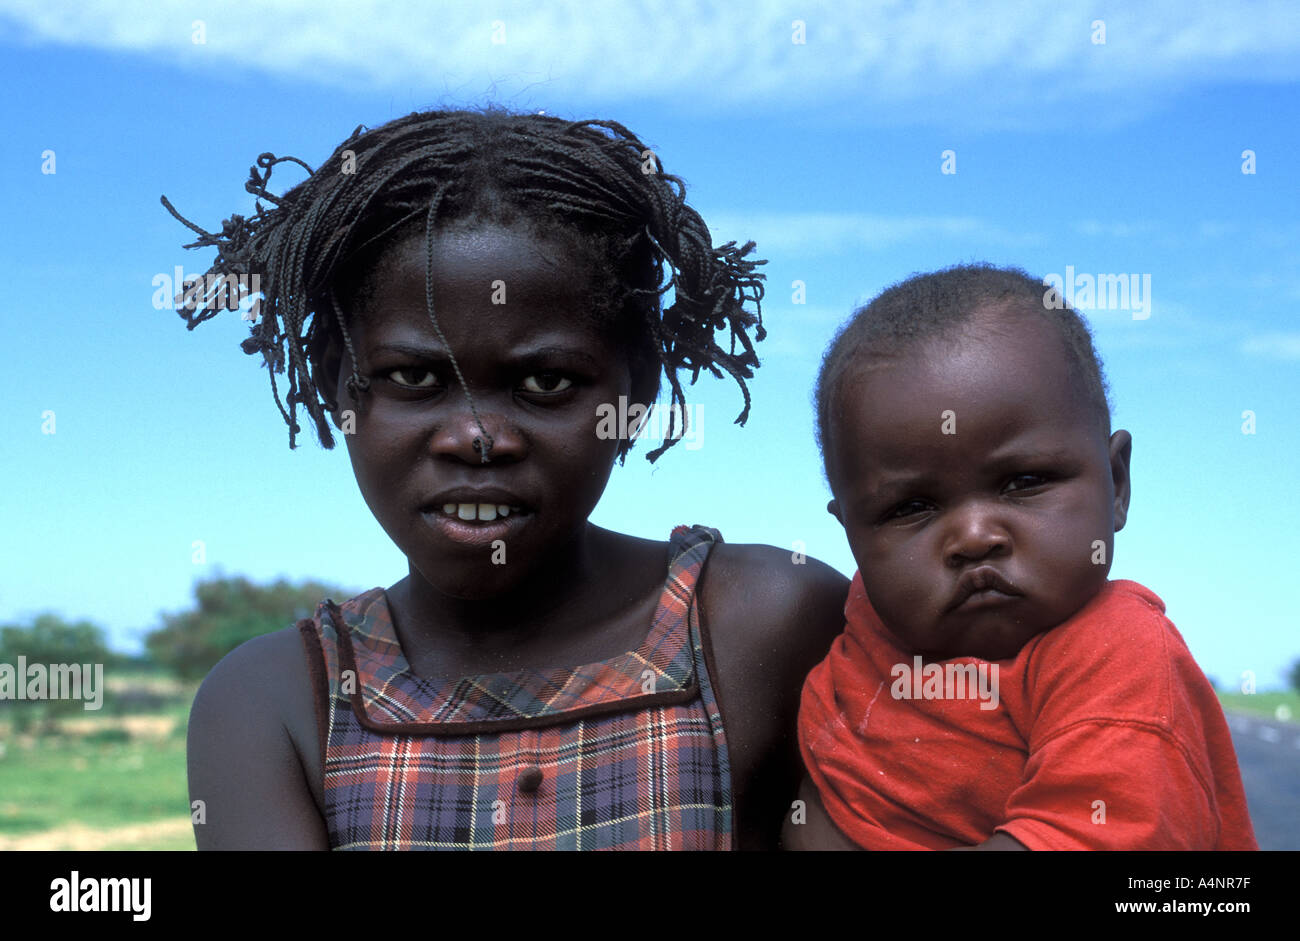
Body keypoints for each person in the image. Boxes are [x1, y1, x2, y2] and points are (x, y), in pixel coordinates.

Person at [169, 108, 848, 850]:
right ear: (338, 382)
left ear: (638, 390)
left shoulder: (765, 625)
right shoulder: (276, 703)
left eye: (547, 381)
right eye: (415, 376)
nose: (477, 436)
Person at [786, 264, 1257, 850]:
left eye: (1025, 480)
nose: (975, 537)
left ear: (1116, 483)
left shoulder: (1120, 656)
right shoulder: (860, 630)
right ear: (853, 534)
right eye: (910, 508)